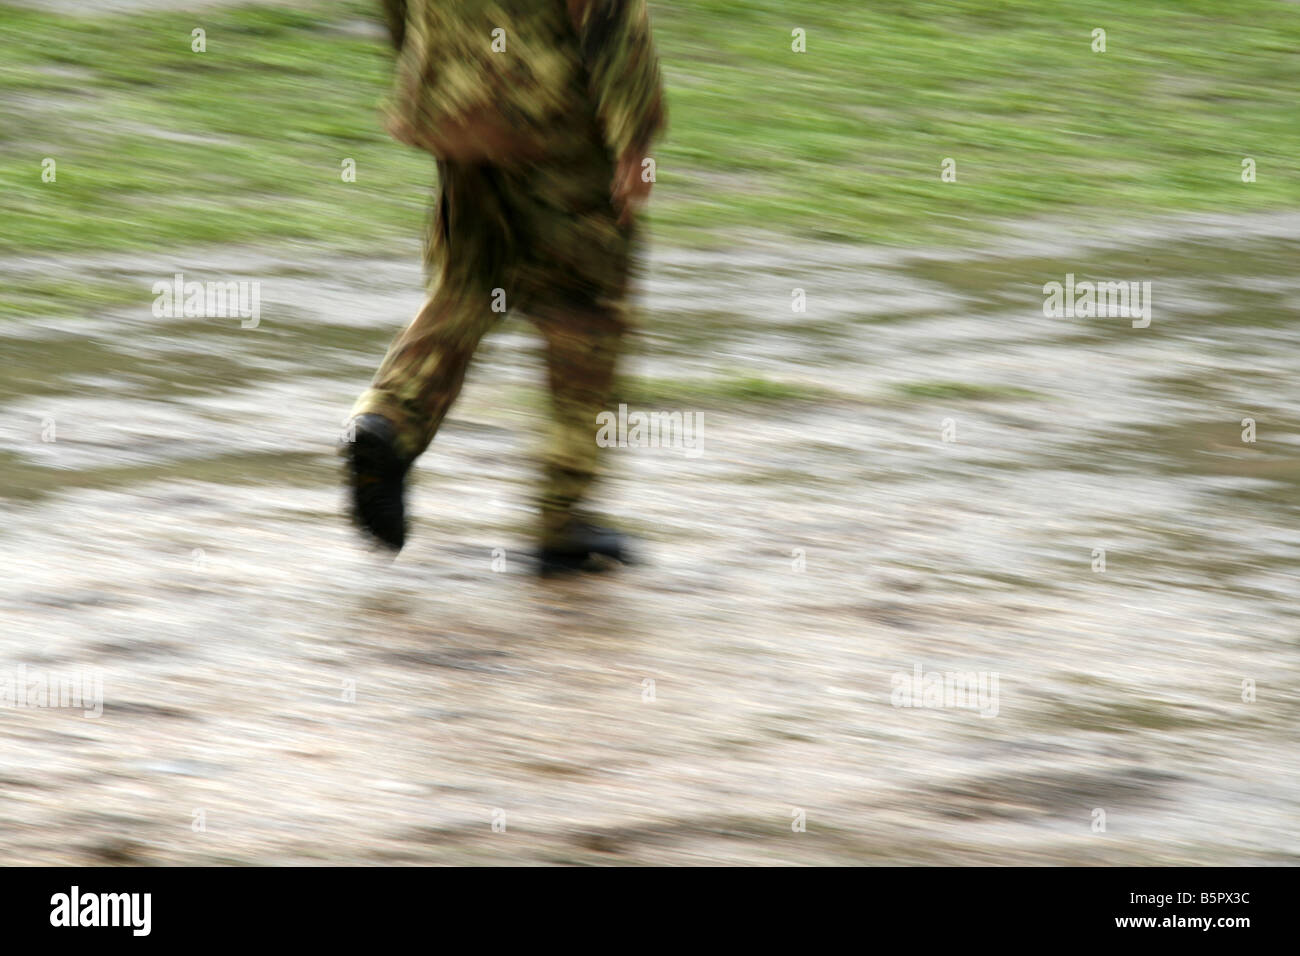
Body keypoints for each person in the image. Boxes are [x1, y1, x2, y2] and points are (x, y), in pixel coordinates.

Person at [344, 0, 666, 574]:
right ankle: (561, 516)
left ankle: (389, 421)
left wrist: (427, 75)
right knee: (585, 307)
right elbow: (611, 14)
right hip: (550, 111)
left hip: (454, 107)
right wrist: (636, 137)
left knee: (469, 281)